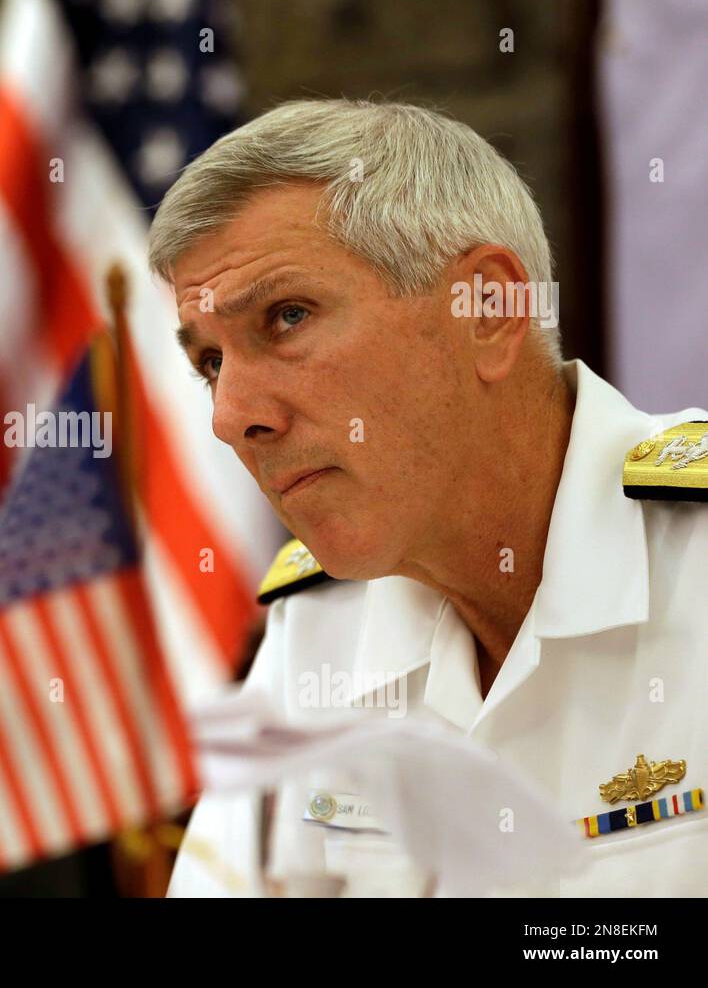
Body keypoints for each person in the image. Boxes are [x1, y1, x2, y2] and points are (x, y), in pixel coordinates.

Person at [149, 99, 707, 897]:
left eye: (287, 316)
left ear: (487, 310)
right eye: (209, 362)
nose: (231, 417)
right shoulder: (318, 625)